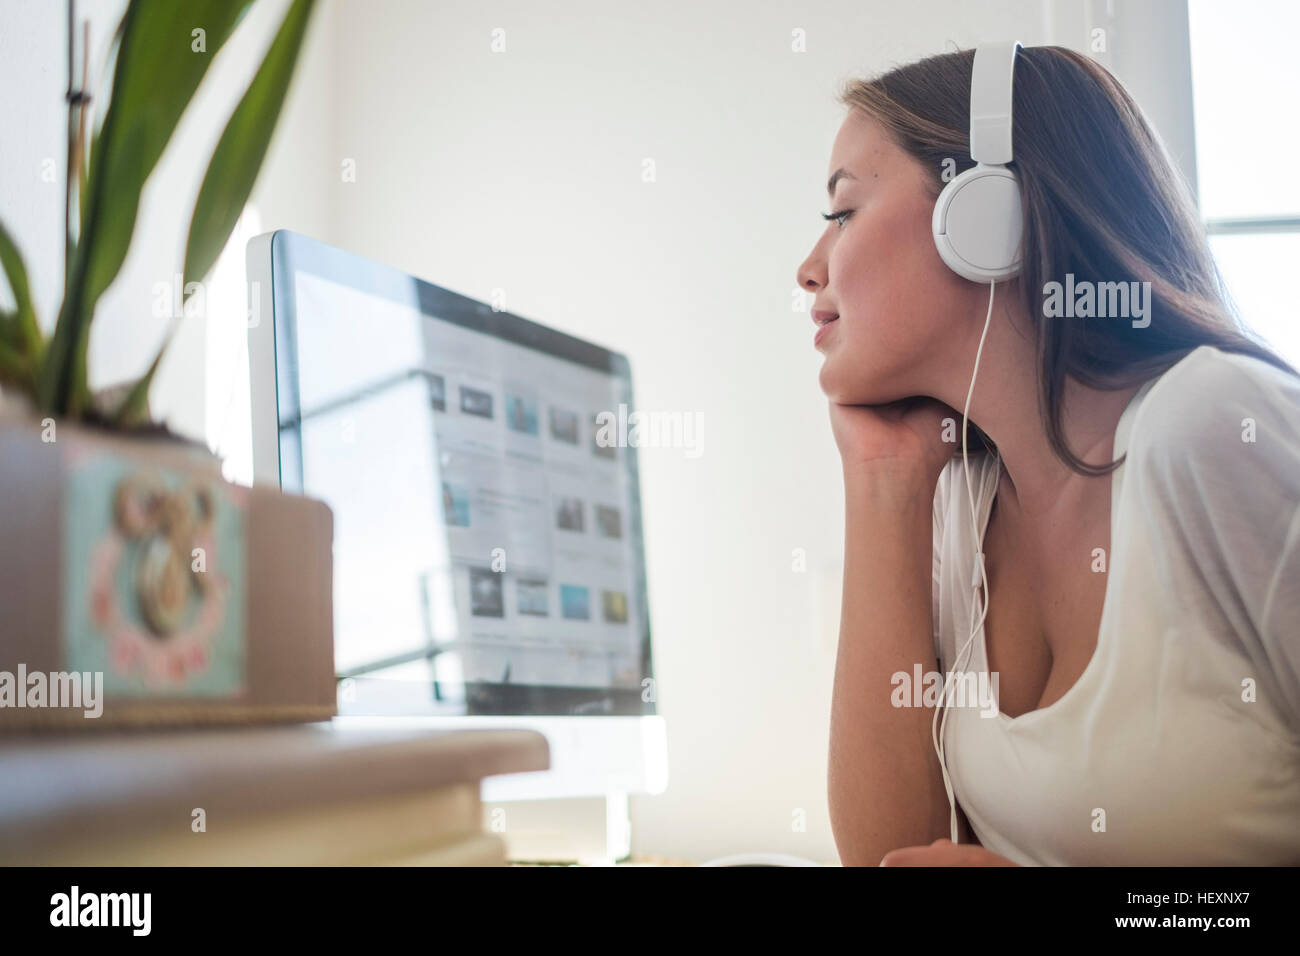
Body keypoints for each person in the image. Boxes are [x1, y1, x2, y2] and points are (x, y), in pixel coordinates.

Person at [796, 44, 1300, 866]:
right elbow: (896, 856)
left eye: (843, 214)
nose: (809, 270)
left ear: (987, 215)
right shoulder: (969, 502)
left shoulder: (1211, 427)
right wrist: (882, 482)